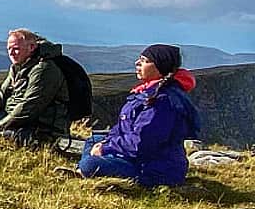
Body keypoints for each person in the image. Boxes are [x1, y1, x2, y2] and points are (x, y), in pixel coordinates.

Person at [75, 45, 202, 187]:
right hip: (139, 157)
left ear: (160, 66)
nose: (137, 63)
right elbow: (122, 127)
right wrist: (106, 143)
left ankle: (85, 169)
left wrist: (106, 149)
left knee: (90, 163)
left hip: (155, 169)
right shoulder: (148, 92)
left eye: (145, 60)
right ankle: (87, 169)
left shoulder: (163, 101)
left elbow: (142, 143)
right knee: (94, 140)